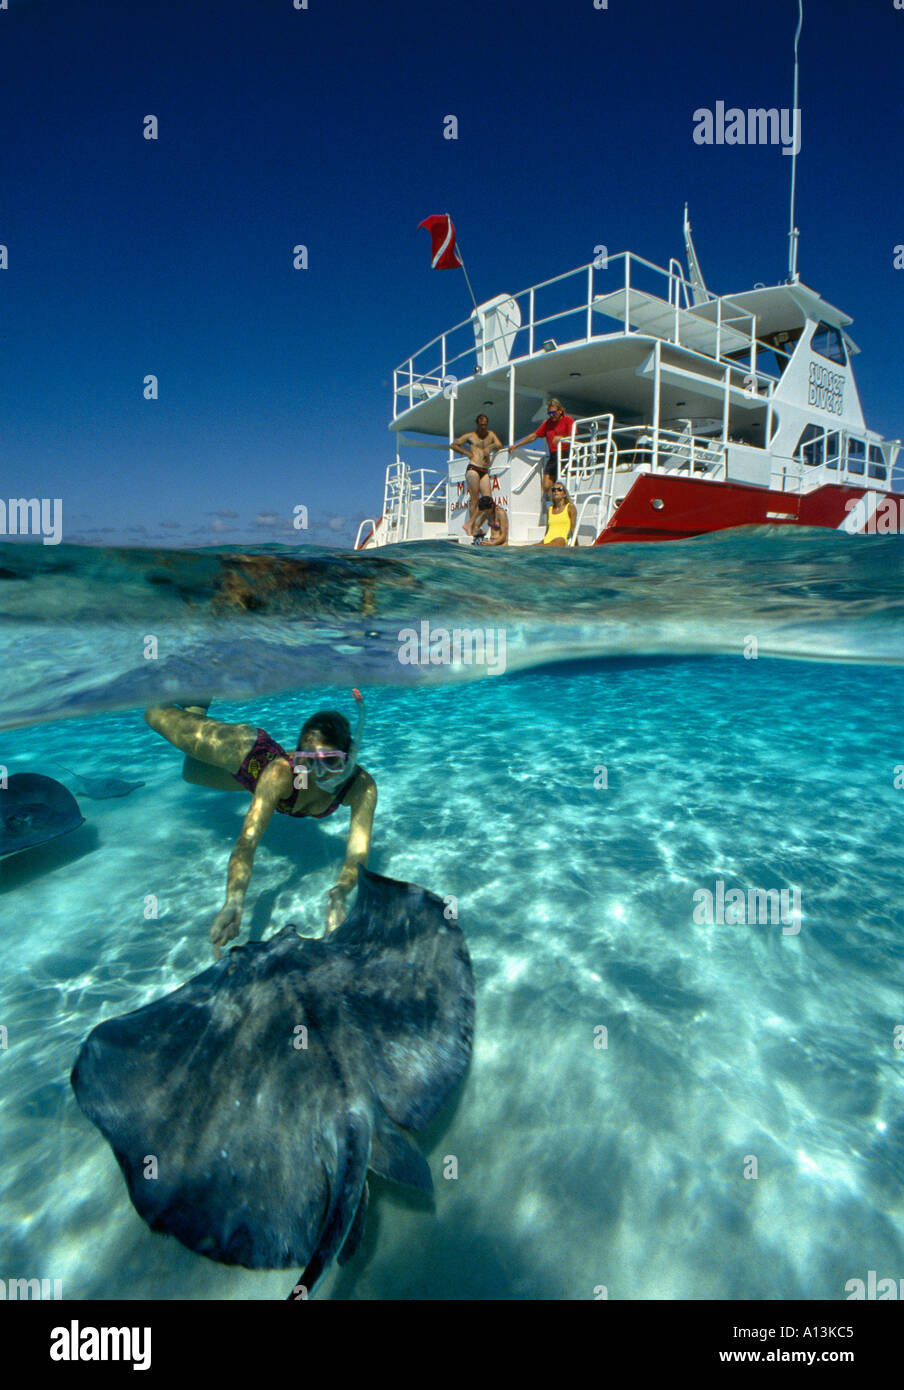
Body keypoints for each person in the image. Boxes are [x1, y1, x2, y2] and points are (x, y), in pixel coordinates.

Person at [143, 690, 376, 955]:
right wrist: (234, 901)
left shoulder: (361, 788)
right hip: (243, 753)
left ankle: (196, 702)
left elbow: (358, 855)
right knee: (153, 713)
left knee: (191, 771)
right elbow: (247, 842)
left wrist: (340, 893)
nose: (318, 775)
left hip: (256, 780)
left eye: (331, 762)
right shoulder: (282, 775)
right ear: (298, 758)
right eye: (307, 762)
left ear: (349, 756)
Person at [509, 398, 575, 498]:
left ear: (560, 410)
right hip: (553, 456)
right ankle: (555, 503)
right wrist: (517, 445)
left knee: (565, 482)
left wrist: (562, 438)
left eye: (553, 412)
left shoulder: (568, 420)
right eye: (549, 413)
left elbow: (573, 436)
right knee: (546, 486)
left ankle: (563, 502)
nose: (551, 415)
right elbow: (534, 436)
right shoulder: (548, 423)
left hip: (566, 454)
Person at [452, 414, 505, 535]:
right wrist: (466, 453)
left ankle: (471, 524)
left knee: (489, 501)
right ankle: (472, 529)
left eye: (485, 424)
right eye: (481, 425)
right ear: (477, 424)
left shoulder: (490, 434)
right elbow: (454, 445)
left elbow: (500, 446)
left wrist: (490, 447)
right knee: (475, 500)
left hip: (484, 470)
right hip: (473, 468)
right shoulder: (470, 436)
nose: (483, 427)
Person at [541, 481, 577, 546]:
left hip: (561, 540)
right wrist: (543, 540)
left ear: (564, 494)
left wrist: (576, 547)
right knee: (531, 547)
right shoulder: (549, 509)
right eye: (553, 489)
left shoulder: (570, 507)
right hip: (547, 541)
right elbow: (547, 529)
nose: (556, 491)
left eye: (559, 489)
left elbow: (573, 529)